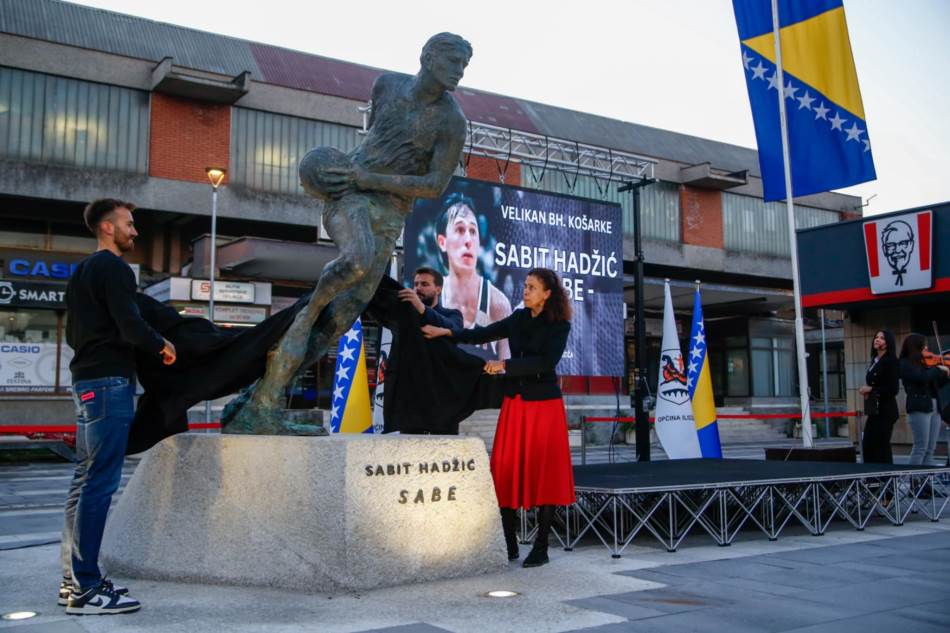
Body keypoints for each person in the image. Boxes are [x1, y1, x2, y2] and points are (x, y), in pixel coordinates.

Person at [228, 32, 472, 432]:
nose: (459, 71)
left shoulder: (452, 121)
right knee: (355, 263)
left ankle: (263, 400)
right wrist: (352, 175)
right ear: (427, 57)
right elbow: (373, 140)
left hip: (388, 213)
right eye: (452, 61)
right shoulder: (387, 85)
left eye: (464, 65)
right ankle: (308, 310)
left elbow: (434, 185)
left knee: (338, 322)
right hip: (352, 195)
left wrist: (370, 176)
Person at [61, 198, 177, 615]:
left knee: (83, 479)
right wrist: (161, 344)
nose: (136, 231)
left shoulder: (82, 273)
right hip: (109, 383)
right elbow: (130, 323)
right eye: (129, 224)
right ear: (108, 228)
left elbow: (76, 333)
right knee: (99, 482)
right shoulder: (113, 268)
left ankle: (72, 580)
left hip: (85, 382)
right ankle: (88, 588)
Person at [423, 267, 574, 567]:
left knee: (544, 475)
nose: (526, 291)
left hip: (544, 407)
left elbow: (545, 362)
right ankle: (510, 543)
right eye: (526, 286)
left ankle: (541, 547)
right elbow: (482, 333)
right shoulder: (518, 319)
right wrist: (448, 332)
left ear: (547, 293)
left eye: (532, 287)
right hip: (515, 405)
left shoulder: (559, 325)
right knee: (504, 471)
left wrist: (505, 367)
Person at [436, 193, 512, 360]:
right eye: (460, 230)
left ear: (479, 244)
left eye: (473, 231)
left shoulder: (497, 304)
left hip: (483, 385)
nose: (468, 240)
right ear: (442, 242)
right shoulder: (434, 298)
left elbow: (505, 369)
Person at [899, 333, 950, 466]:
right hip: (919, 405)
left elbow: (937, 384)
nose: (926, 347)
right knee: (920, 447)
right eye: (923, 345)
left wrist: (946, 375)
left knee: (930, 449)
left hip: (933, 404)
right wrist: (938, 369)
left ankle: (925, 482)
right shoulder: (905, 363)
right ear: (914, 346)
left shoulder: (926, 364)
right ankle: (914, 481)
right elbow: (921, 377)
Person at [859, 330, 900, 463]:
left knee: (881, 445)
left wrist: (872, 389)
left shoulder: (891, 361)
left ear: (888, 343)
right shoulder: (875, 360)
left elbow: (893, 389)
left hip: (886, 410)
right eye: (876, 337)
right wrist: (868, 391)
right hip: (874, 409)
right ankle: (872, 480)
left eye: (882, 338)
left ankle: (886, 479)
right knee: (868, 444)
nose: (877, 340)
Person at [398, 266, 463, 331]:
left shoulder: (452, 314)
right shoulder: (406, 313)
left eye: (424, 284)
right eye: (416, 284)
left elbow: (455, 328)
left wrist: (422, 308)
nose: (418, 288)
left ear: (438, 290)